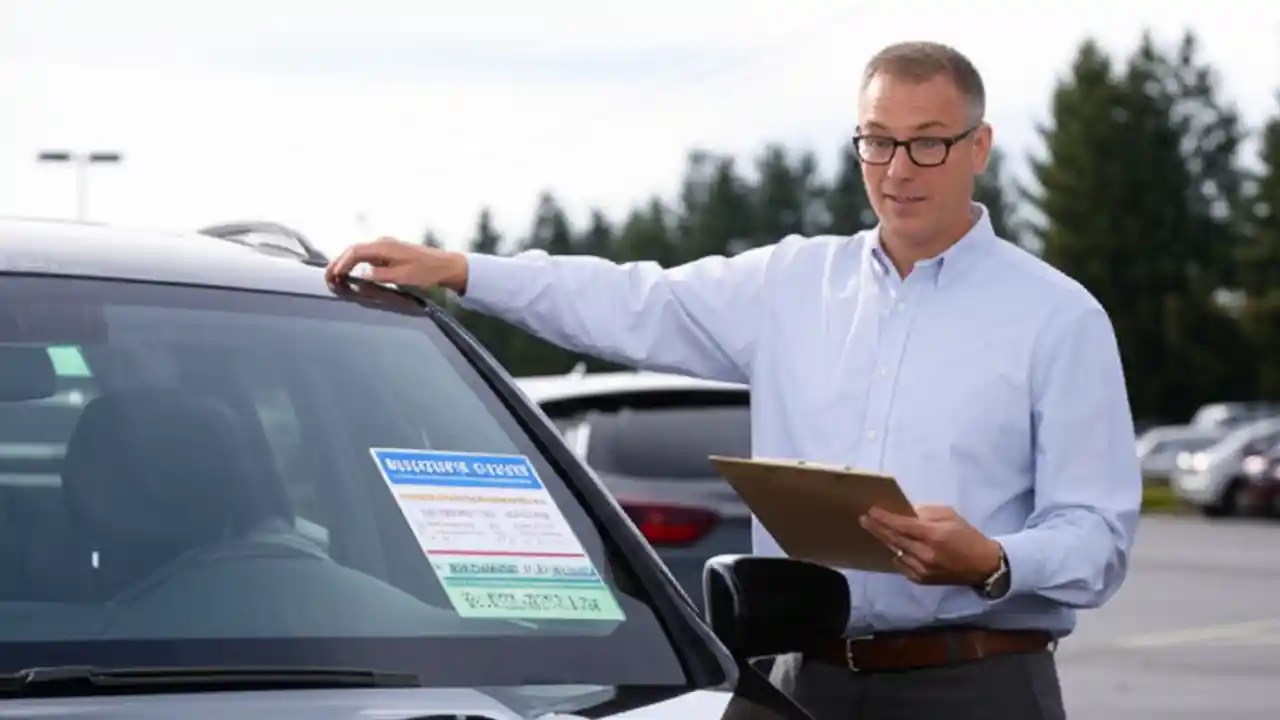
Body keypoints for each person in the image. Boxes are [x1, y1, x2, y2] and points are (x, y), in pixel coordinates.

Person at [326, 40, 1141, 720]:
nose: (898, 169)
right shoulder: (791, 284)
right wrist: (464, 271)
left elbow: (1097, 536)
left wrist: (991, 560)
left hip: (975, 685)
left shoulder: (1057, 318)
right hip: (794, 684)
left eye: (927, 141)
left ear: (980, 146)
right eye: (876, 140)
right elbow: (628, 300)